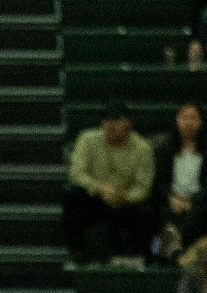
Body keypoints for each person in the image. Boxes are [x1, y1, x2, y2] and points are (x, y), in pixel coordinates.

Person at [64, 102, 155, 264]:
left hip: (125, 202)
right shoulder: (87, 139)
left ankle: (137, 257)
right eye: (108, 123)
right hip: (96, 199)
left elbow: (143, 187)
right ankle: (75, 252)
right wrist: (99, 189)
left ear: (128, 124)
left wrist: (124, 196)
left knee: (146, 210)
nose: (110, 127)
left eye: (116, 123)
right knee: (73, 196)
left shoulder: (143, 148)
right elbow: (76, 172)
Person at [152, 102, 207, 261]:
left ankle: (173, 249)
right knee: (164, 212)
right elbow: (159, 181)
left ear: (200, 122)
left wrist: (192, 200)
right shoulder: (164, 148)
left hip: (200, 201)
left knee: (198, 212)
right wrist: (171, 199)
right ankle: (166, 253)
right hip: (172, 199)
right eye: (184, 118)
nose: (188, 123)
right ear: (177, 121)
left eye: (193, 118)